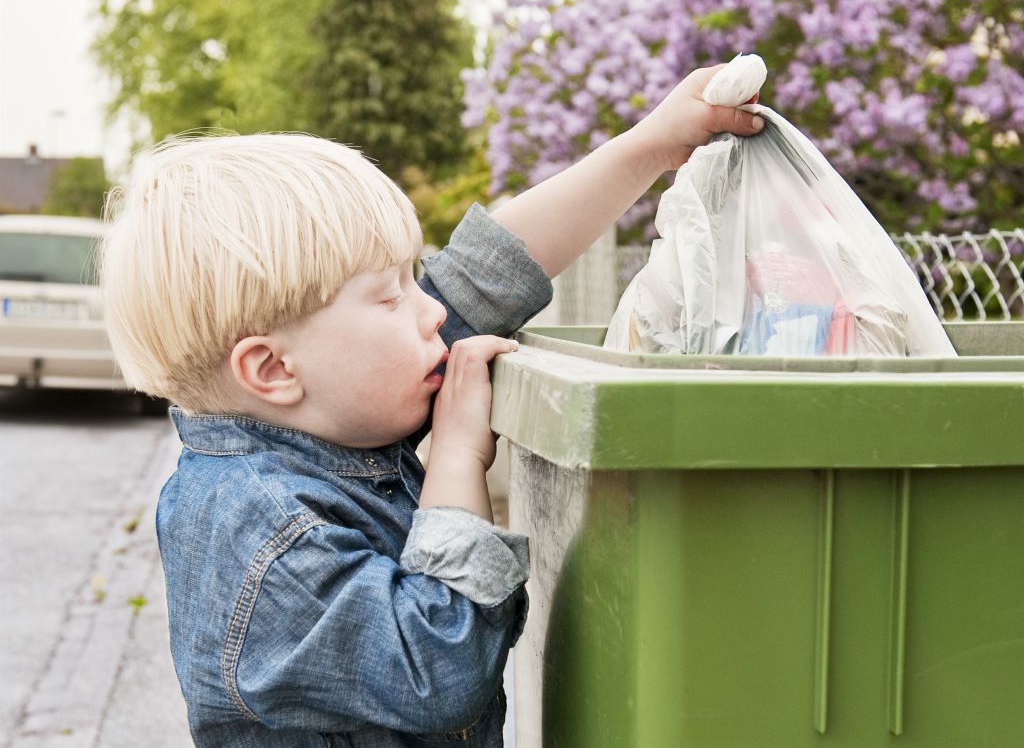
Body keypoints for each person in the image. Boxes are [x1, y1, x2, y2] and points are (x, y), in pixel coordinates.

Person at [99, 64, 763, 747]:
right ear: (271, 368)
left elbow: (492, 269)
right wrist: (455, 458)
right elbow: (439, 666)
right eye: (391, 296)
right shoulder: (257, 531)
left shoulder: (331, 399)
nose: (432, 313)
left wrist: (655, 142)